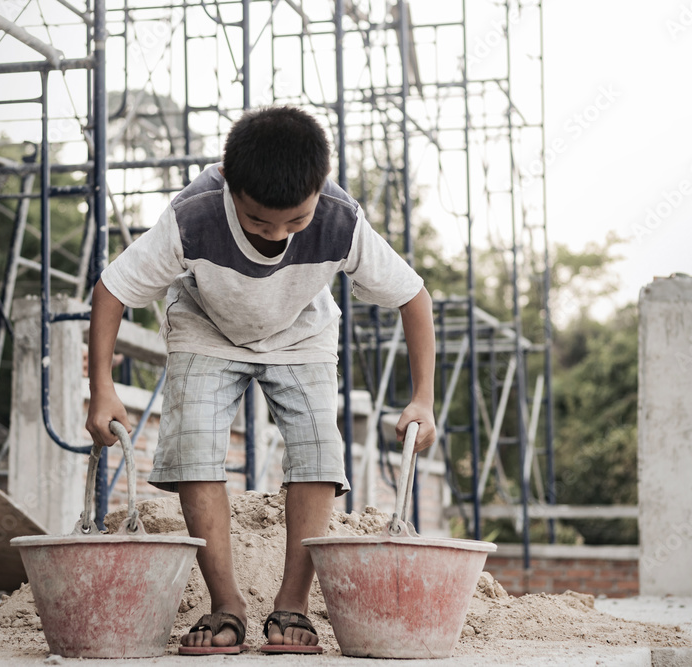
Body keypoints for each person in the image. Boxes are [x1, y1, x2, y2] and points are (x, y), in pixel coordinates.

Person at [85, 106, 436, 655]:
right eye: (258, 223)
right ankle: (225, 604)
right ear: (229, 184)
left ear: (319, 190)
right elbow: (112, 290)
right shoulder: (193, 215)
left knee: (319, 447)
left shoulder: (341, 218)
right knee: (193, 447)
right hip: (206, 328)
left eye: (295, 222)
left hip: (300, 333)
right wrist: (102, 389)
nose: (277, 236)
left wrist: (422, 399)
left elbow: (414, 296)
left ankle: (291, 604)